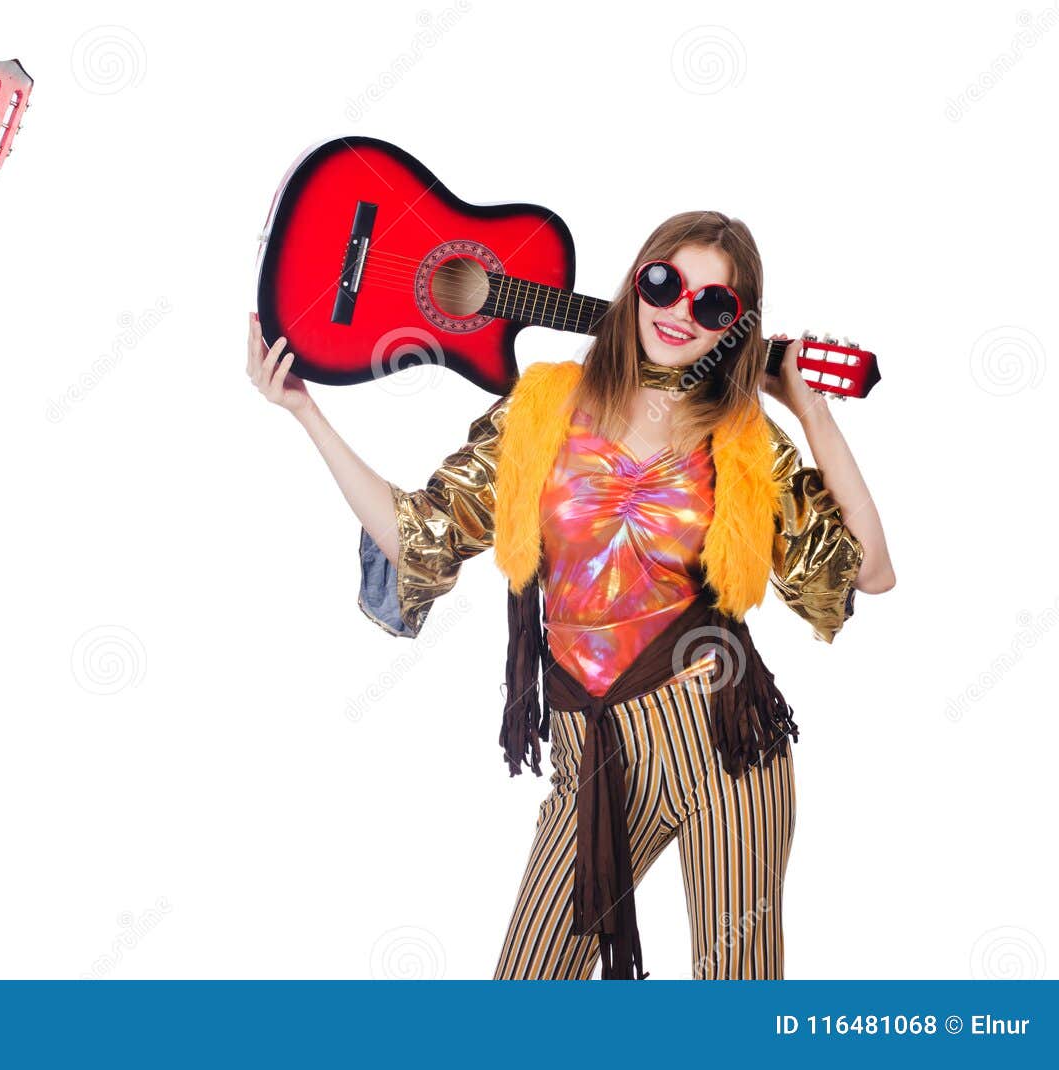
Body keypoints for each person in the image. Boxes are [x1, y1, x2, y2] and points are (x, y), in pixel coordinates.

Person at [247, 210, 895, 980]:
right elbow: (421, 535)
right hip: (590, 751)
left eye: (714, 304)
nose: (680, 311)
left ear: (735, 327)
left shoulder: (744, 437)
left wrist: (810, 408)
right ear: (636, 284)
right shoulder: (543, 408)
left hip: (725, 744)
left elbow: (870, 571)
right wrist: (305, 411)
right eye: (664, 282)